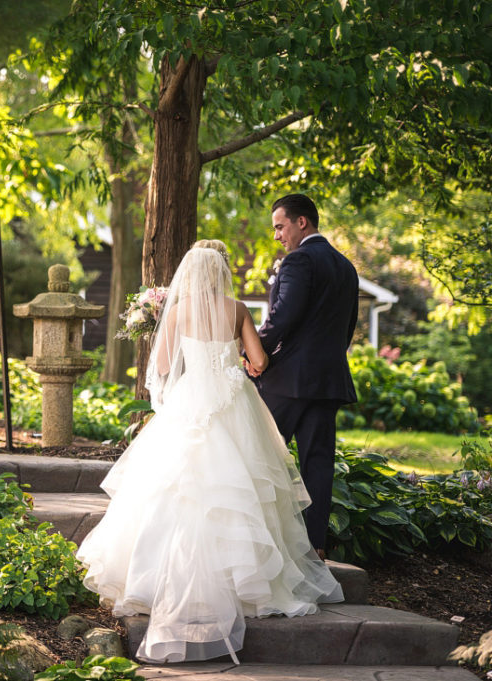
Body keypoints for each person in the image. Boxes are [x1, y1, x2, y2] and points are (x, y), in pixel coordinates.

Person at [76, 239, 343, 664]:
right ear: (220, 273)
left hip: (192, 399)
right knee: (246, 484)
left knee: (177, 486)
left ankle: (150, 580)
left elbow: (162, 367)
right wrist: (242, 361)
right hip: (235, 400)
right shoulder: (237, 309)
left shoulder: (178, 312)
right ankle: (248, 581)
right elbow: (259, 361)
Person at [250, 194, 359, 560]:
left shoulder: (299, 260)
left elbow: (282, 316)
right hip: (328, 381)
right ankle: (315, 548)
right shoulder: (346, 267)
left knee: (260, 454)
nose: (277, 236)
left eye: (280, 226)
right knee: (318, 464)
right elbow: (347, 328)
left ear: (302, 222)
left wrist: (256, 354)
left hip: (288, 381)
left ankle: (258, 542)